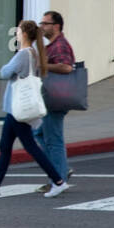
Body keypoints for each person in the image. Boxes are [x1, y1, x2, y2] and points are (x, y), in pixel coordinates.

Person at [0, 19, 70, 198]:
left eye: (18, 30)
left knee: (30, 146)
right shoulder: (33, 53)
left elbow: (4, 72)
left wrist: (9, 63)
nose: (16, 33)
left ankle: (58, 181)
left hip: (17, 109)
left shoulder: (23, 54)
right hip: (15, 108)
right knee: (5, 145)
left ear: (24, 34)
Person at [34, 10, 76, 191]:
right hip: (51, 98)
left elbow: (67, 67)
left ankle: (58, 179)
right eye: (41, 23)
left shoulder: (60, 45)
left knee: (54, 140)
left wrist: (43, 65)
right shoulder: (52, 45)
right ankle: (61, 170)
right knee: (40, 135)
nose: (42, 27)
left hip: (55, 98)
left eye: (45, 24)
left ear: (56, 26)